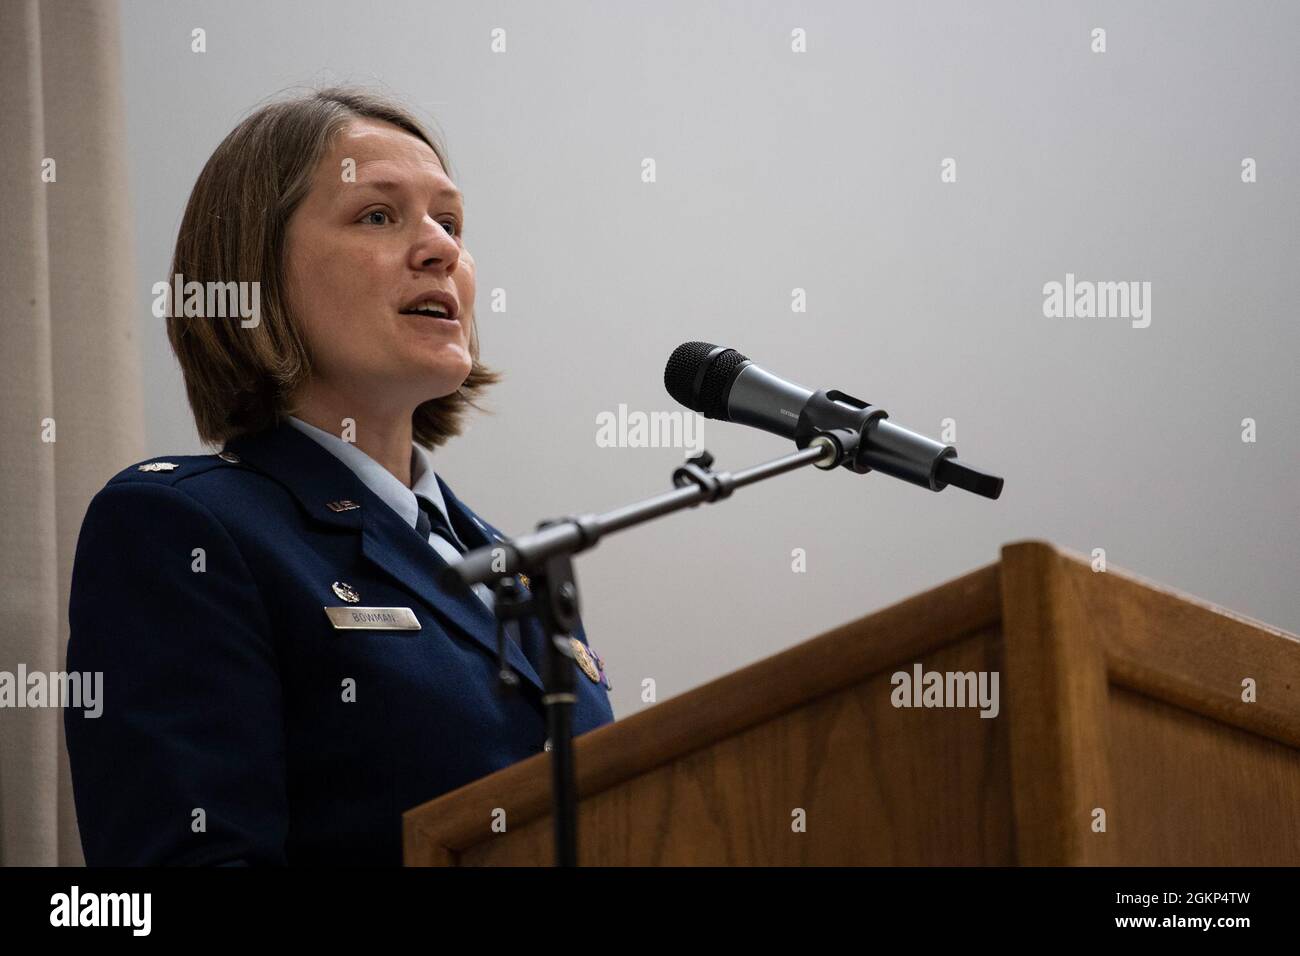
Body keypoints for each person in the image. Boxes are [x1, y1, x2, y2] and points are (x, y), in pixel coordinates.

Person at [64, 87, 614, 866]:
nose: (440, 249)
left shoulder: (516, 566)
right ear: (254, 271)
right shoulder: (182, 529)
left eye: (449, 222)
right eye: (378, 216)